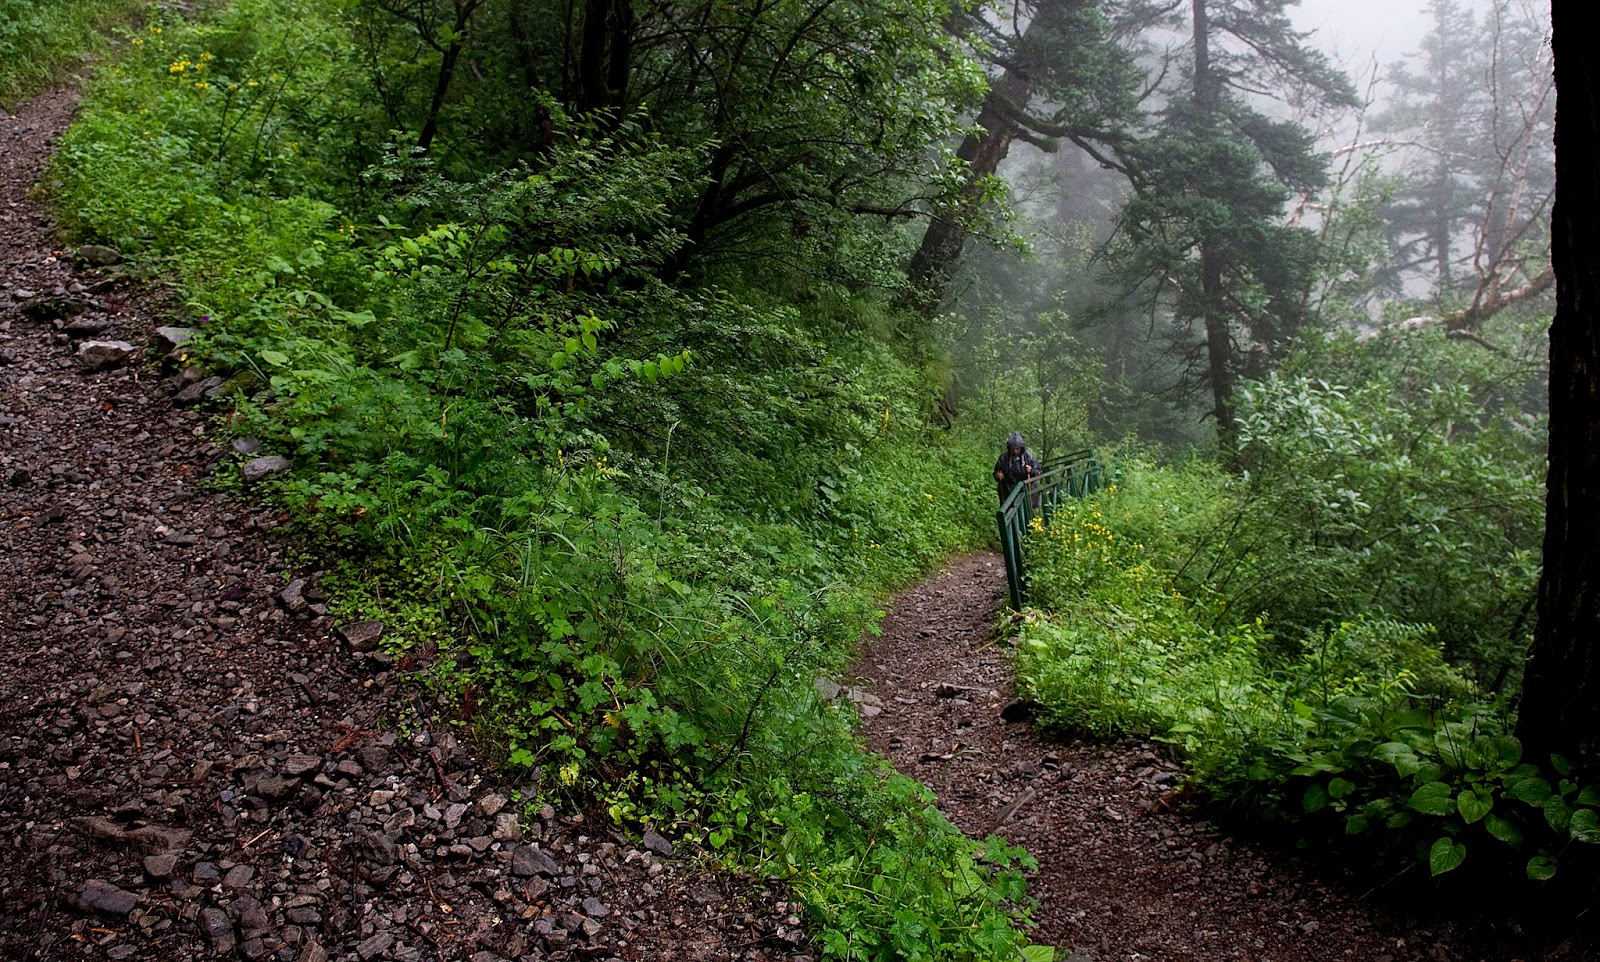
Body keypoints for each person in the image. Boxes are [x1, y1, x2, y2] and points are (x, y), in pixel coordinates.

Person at [994, 432, 1039, 505]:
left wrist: (1031, 471)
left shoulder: (1028, 457)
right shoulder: (1003, 458)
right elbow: (996, 473)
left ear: (1021, 448)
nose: (1015, 451)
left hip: (1026, 492)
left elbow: (1038, 473)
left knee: (1026, 513)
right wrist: (998, 475)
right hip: (1008, 493)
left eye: (1017, 449)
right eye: (1013, 449)